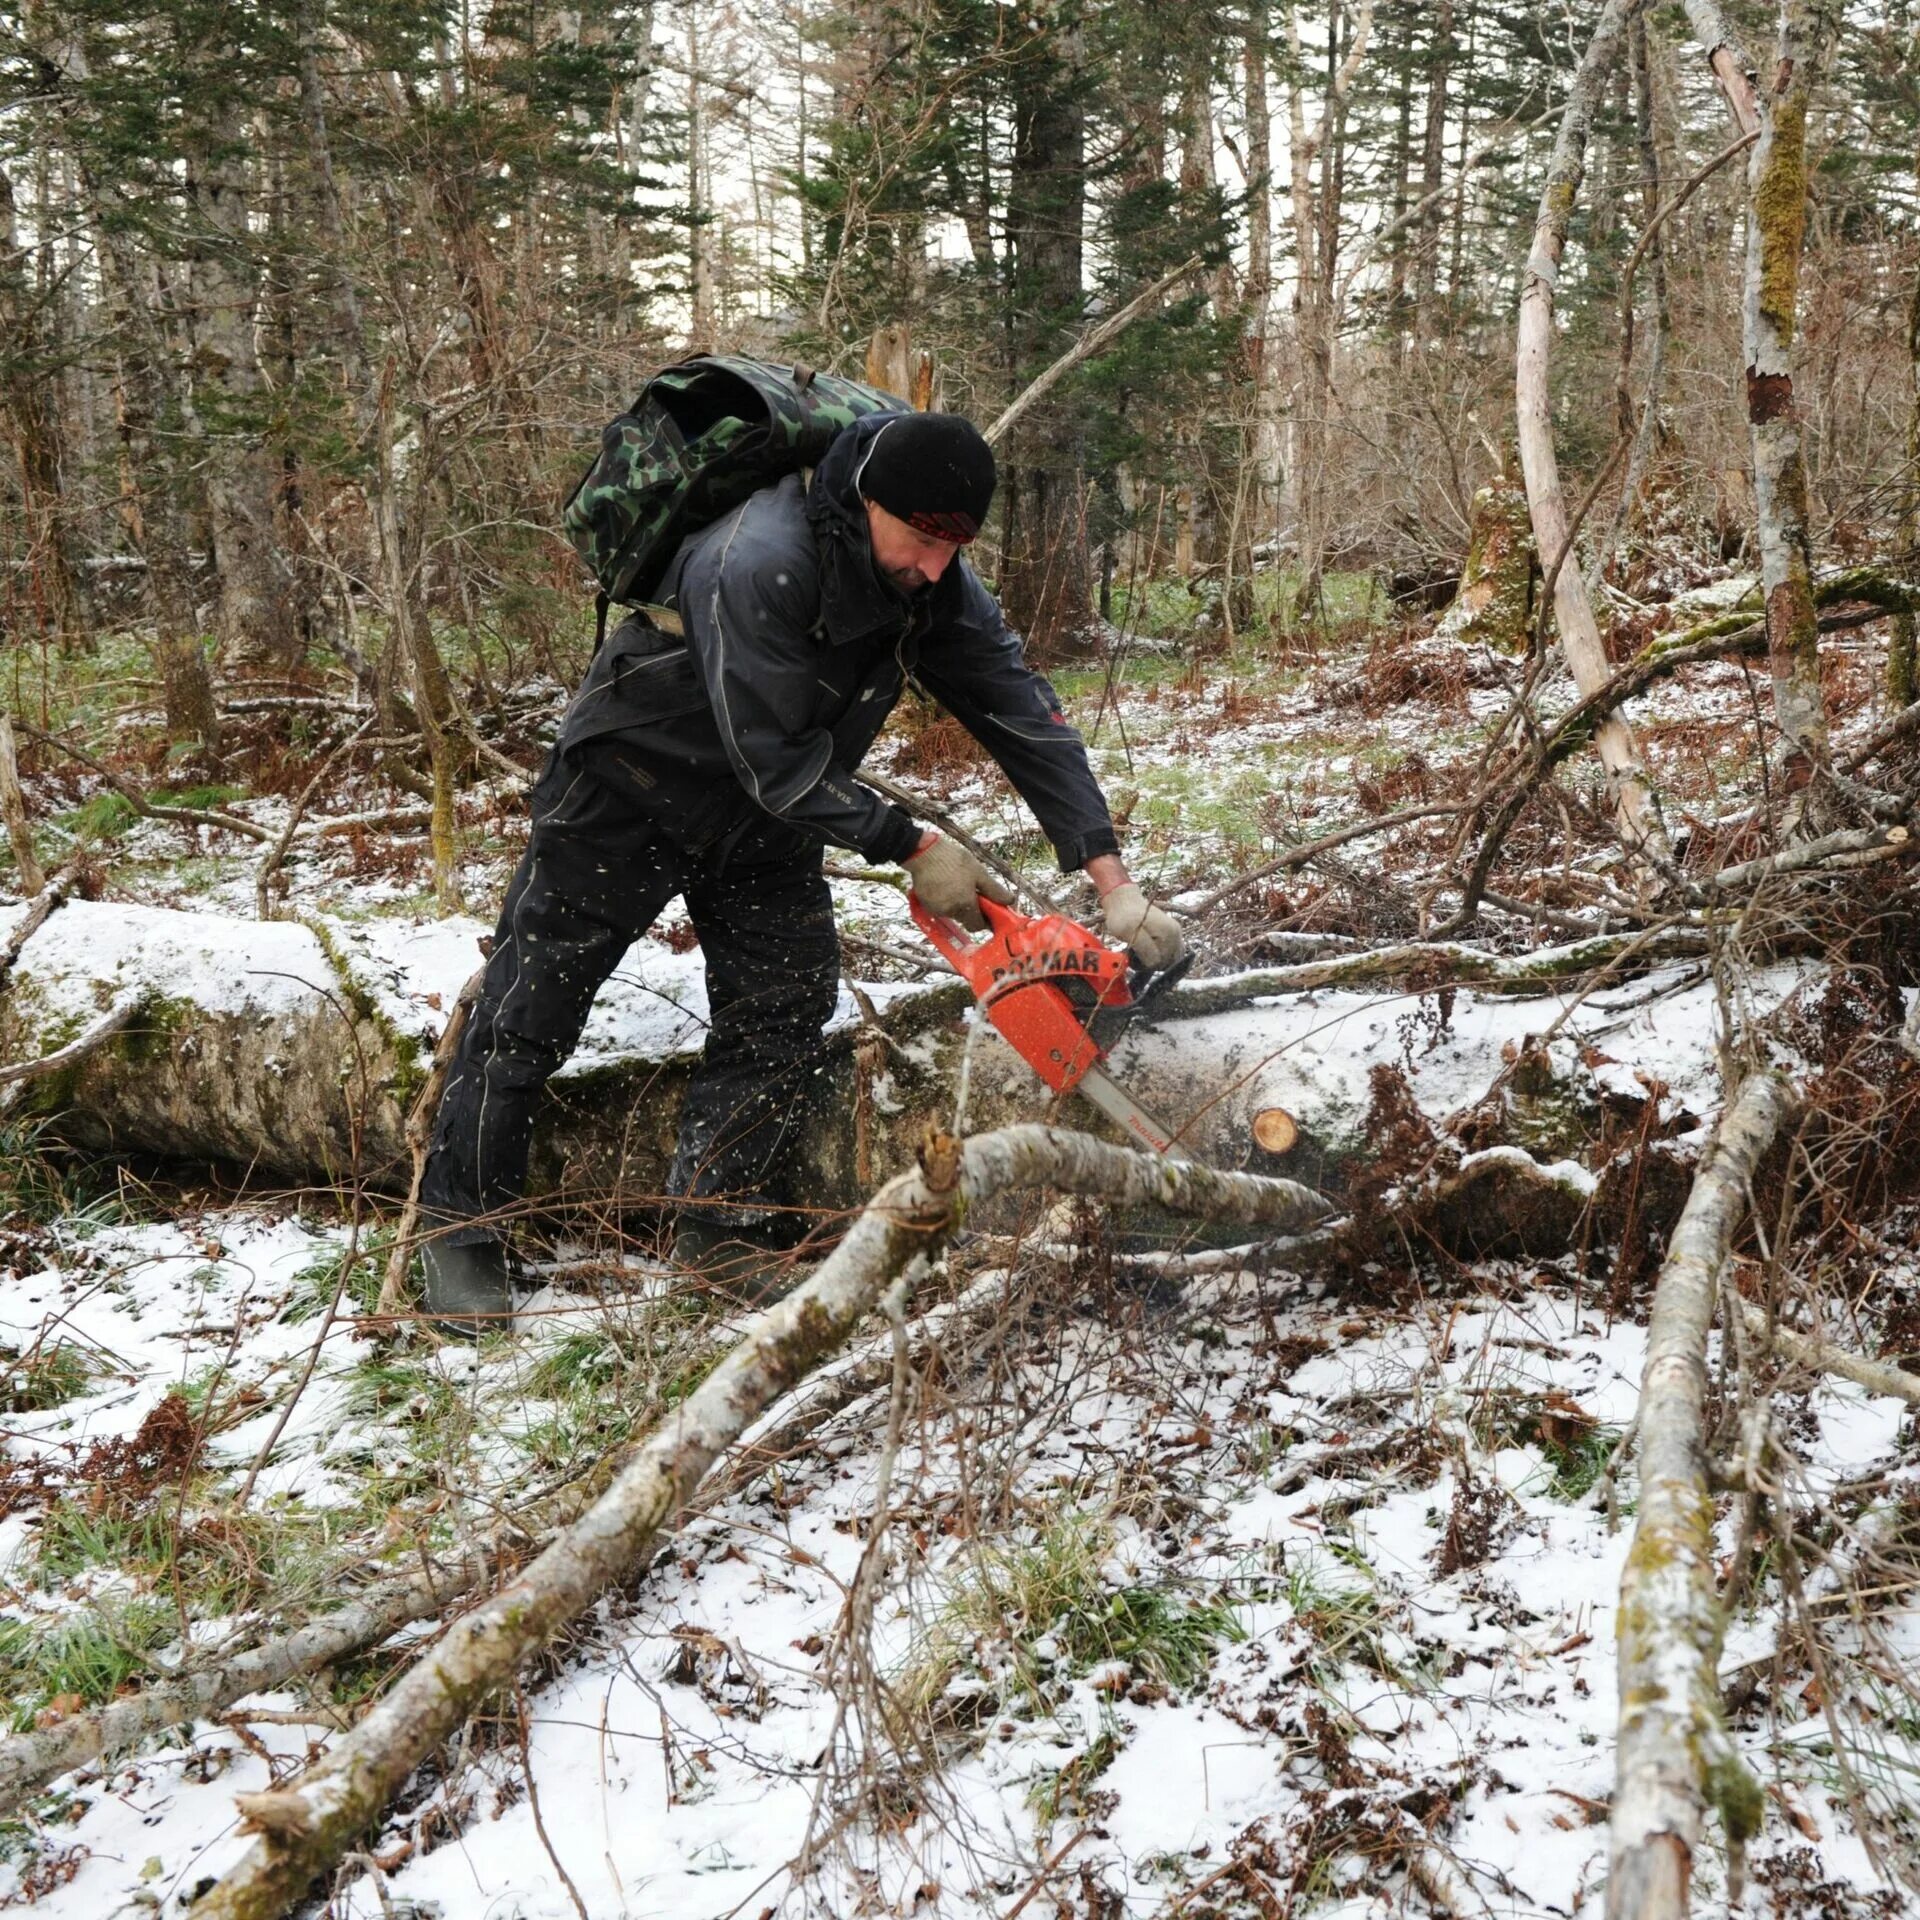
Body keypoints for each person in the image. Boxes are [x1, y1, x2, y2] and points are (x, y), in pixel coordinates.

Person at [416, 408, 1183, 1332]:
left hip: (767, 811)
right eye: (924, 538)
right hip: (630, 784)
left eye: (958, 546)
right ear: (868, 501)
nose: (937, 566)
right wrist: (910, 842)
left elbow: (1019, 707)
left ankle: (718, 1228)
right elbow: (769, 755)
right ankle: (462, 1233)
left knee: (783, 999)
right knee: (529, 1008)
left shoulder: (932, 579)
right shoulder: (757, 557)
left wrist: (1111, 878)